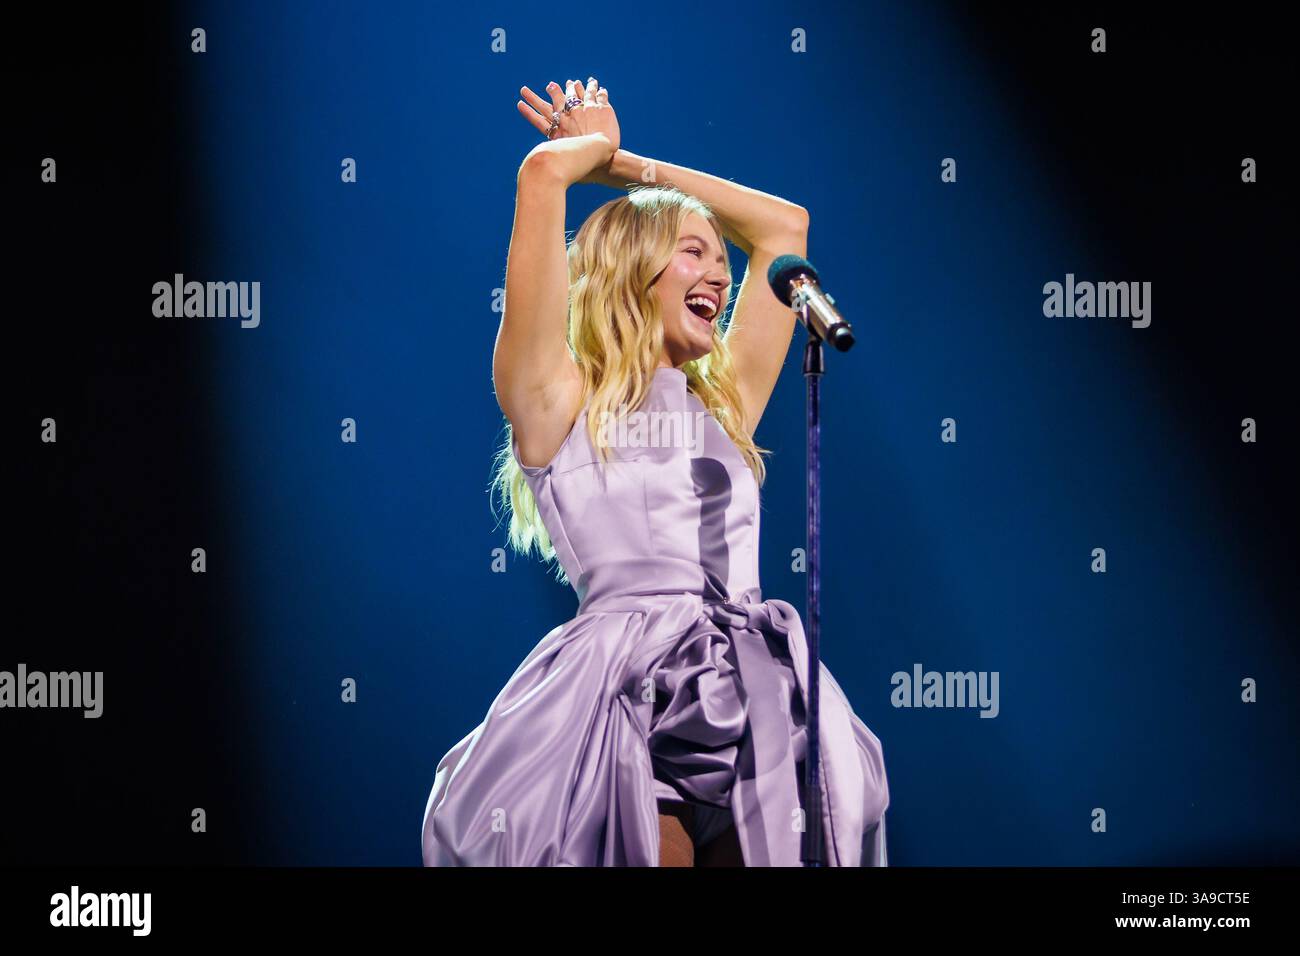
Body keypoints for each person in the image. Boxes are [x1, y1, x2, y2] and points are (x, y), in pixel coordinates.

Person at [421, 76, 889, 866]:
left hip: (754, 695)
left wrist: (626, 168)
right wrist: (581, 157)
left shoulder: (725, 399)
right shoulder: (555, 396)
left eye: (719, 259)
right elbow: (541, 178)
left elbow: (783, 230)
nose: (721, 273)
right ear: (633, 268)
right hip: (624, 698)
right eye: (693, 253)